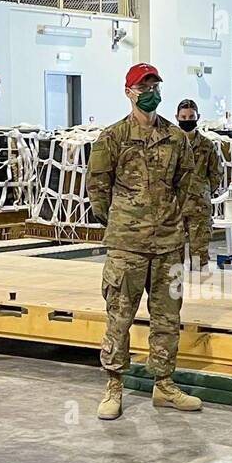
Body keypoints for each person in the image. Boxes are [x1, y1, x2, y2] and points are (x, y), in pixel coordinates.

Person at [88, 64, 202, 421]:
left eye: (155, 85)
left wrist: (181, 229)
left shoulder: (176, 138)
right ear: (129, 92)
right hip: (127, 245)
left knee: (168, 318)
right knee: (119, 317)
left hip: (168, 243)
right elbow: (97, 189)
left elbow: (188, 188)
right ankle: (114, 386)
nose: (150, 91)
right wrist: (122, 222)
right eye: (143, 86)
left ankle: (164, 384)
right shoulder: (112, 138)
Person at [175, 98, 224, 267]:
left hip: (199, 208)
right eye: (184, 117)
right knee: (173, 258)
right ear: (177, 117)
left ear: (198, 117)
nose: (187, 121)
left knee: (199, 257)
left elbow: (216, 173)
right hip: (175, 208)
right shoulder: (172, 144)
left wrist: (203, 191)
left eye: (191, 117)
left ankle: (200, 291)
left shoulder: (206, 145)